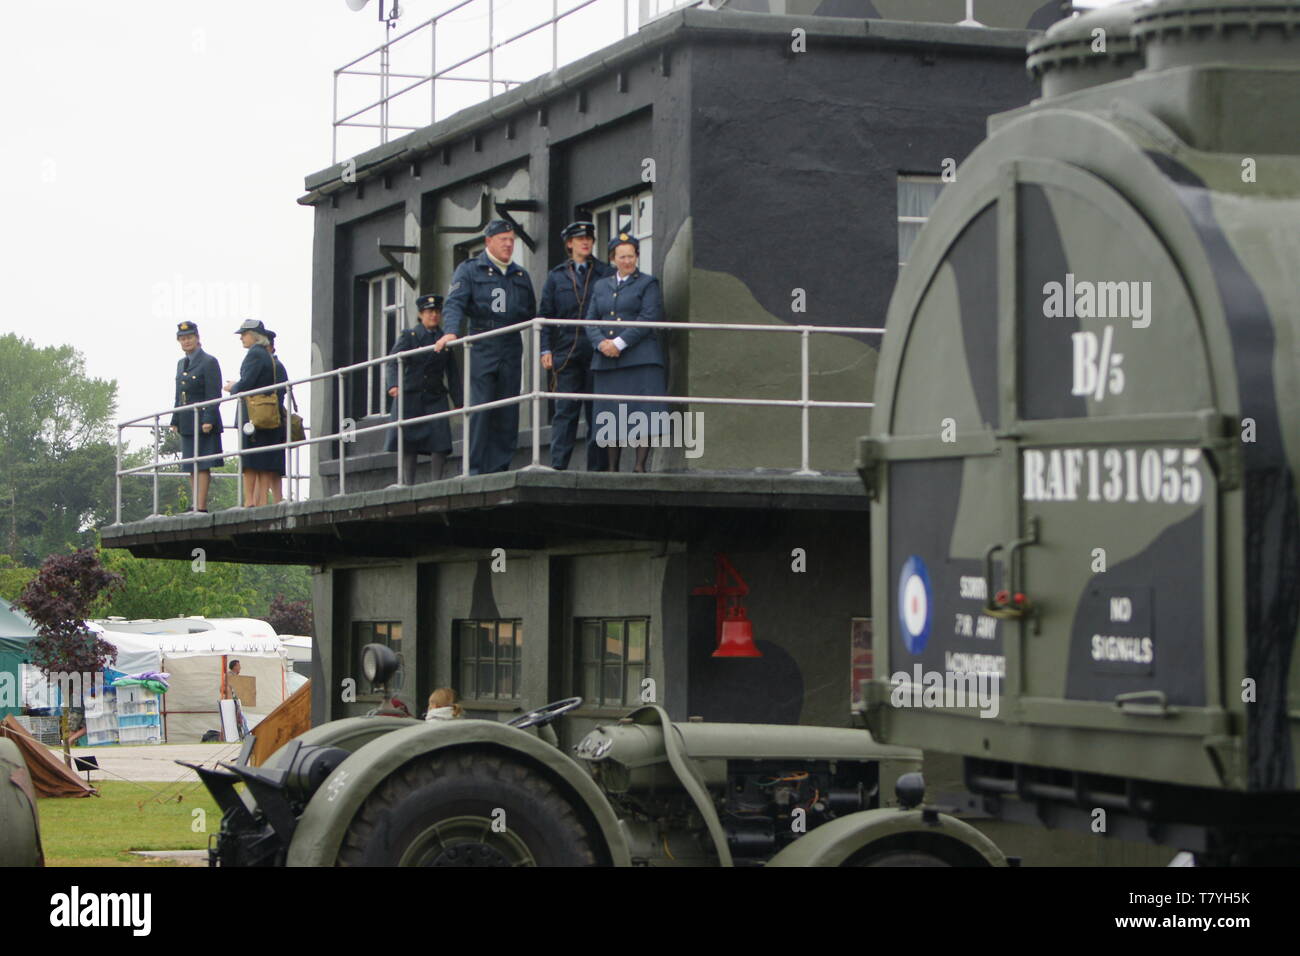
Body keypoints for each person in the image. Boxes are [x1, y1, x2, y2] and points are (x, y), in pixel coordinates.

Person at [436, 220, 537, 475]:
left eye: (511, 240)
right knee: (480, 406)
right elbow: (455, 303)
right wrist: (450, 331)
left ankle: (500, 466)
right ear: (488, 241)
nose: (508, 244)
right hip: (482, 341)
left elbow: (531, 312)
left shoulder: (520, 275)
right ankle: (474, 467)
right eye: (502, 239)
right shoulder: (470, 270)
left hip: (511, 343)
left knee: (508, 406)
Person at [585, 233, 667, 473]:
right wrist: (601, 344)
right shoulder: (601, 285)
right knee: (612, 413)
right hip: (607, 360)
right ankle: (612, 467)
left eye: (631, 256)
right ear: (613, 259)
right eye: (622, 257)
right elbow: (590, 319)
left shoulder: (648, 283)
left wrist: (619, 343)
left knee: (643, 413)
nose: (627, 261)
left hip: (640, 357)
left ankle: (640, 466)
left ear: (637, 257)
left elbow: (649, 317)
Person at [538, 221, 614, 471]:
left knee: (598, 411)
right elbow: (545, 316)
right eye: (580, 239)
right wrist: (545, 349)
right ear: (569, 243)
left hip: (596, 348)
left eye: (589, 239)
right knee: (565, 411)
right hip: (566, 348)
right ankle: (558, 467)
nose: (586, 242)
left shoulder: (605, 272)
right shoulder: (556, 276)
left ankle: (597, 470)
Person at [386, 293, 461, 484]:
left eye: (436, 311)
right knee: (409, 441)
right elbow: (394, 361)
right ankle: (408, 484)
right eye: (429, 312)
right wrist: (393, 384)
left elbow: (452, 372)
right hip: (411, 395)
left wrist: (458, 401)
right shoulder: (409, 336)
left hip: (435, 396)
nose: (434, 315)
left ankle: (436, 482)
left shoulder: (445, 340)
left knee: (440, 440)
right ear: (421, 314)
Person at [224, 319, 285, 506]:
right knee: (263, 459)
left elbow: (247, 383)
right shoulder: (265, 356)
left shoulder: (255, 355)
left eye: (244, 334)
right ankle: (260, 502)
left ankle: (250, 501)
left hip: (253, 413)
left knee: (250, 459)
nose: (241, 337)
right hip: (264, 413)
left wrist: (233, 387)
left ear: (254, 336)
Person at [169, 321, 224, 512]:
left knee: (202, 464)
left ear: (197, 338)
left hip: (202, 419)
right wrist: (175, 419)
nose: (186, 342)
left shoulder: (209, 361)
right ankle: (194, 504)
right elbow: (179, 393)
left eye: (189, 337)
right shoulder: (181, 363)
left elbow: (214, 393)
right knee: (189, 465)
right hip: (186, 419)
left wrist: (209, 418)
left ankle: (200, 506)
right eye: (182, 339)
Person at [265, 331, 290, 504]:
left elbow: (279, 393)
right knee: (271, 461)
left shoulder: (276, 366)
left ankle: (277, 499)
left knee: (273, 462)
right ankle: (275, 499)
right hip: (269, 418)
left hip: (273, 418)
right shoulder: (270, 365)